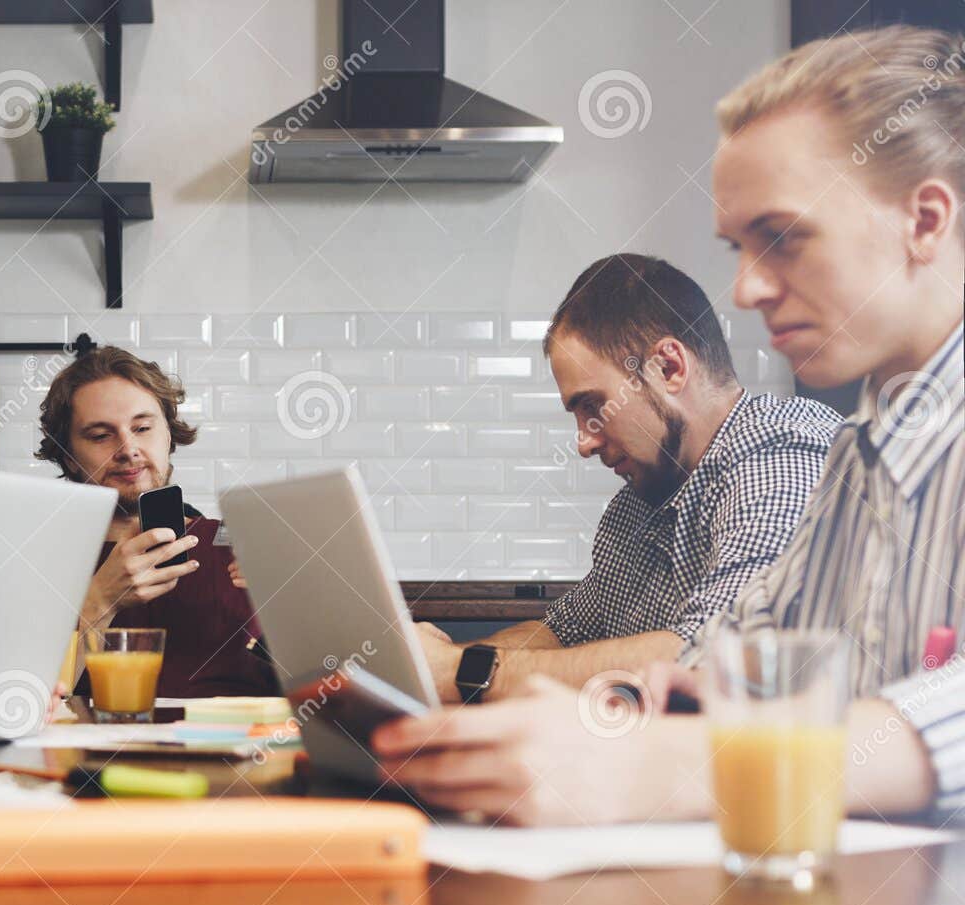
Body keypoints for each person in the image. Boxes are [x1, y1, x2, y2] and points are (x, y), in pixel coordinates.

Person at [374, 25, 965, 824]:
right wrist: (675, 696)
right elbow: (744, 650)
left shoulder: (796, 450)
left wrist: (668, 765)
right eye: (737, 247)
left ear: (925, 222)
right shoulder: (860, 456)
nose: (746, 289)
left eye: (783, 239)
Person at [414, 254, 841, 702]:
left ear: (669, 368)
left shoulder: (782, 451)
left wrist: (460, 672)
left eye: (593, 406)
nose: (583, 442)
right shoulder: (635, 508)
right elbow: (563, 633)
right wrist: (431, 664)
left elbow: (712, 656)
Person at [35, 346, 277, 698]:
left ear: (169, 435)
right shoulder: (35, 563)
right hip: (94, 751)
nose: (128, 449)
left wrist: (292, 611)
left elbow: (322, 697)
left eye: (143, 427)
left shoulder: (240, 546)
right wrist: (101, 599)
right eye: (101, 435)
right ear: (69, 456)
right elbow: (23, 705)